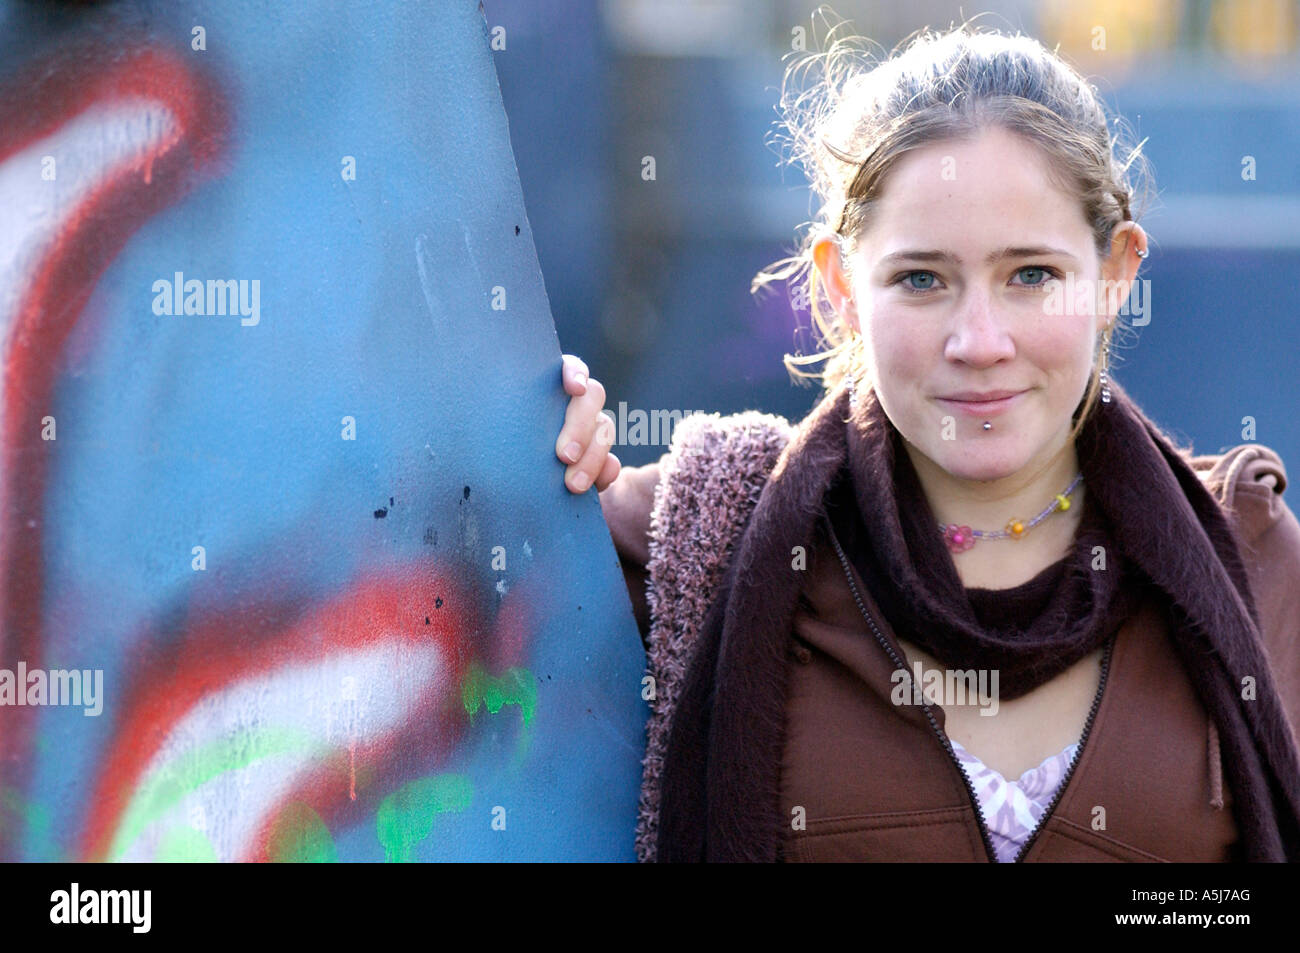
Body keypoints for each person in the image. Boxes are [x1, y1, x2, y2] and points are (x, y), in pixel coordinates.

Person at [552, 22, 1300, 862]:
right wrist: (529, 438)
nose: (979, 341)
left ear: (1116, 274)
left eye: (1031, 275)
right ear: (840, 284)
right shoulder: (694, 535)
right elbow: (422, 590)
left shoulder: (1251, 558)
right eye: (921, 279)